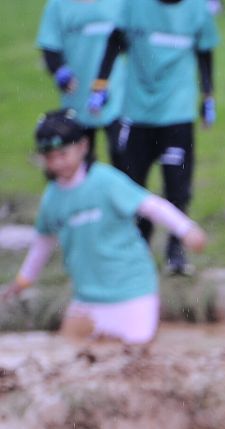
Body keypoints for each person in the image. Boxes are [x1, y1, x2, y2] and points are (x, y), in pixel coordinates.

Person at [2, 110, 205, 345]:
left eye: (63, 154)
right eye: (49, 157)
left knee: (137, 361)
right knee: (66, 354)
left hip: (132, 293)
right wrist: (23, 281)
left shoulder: (105, 181)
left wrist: (186, 229)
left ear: (83, 146)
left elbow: (151, 206)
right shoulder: (52, 198)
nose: (57, 163)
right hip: (87, 298)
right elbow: (42, 243)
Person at [89, 0, 219, 276]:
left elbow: (205, 52)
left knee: (178, 185)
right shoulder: (133, 5)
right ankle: (139, 245)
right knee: (133, 184)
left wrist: (208, 94)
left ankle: (176, 250)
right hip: (137, 113)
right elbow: (114, 42)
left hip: (178, 113)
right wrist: (101, 83)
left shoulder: (198, 10)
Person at [37, 0, 128, 166]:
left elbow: (127, 41)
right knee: (80, 164)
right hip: (76, 99)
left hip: (116, 95)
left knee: (123, 157)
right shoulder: (57, 6)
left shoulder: (119, 3)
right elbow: (49, 47)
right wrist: (60, 72)